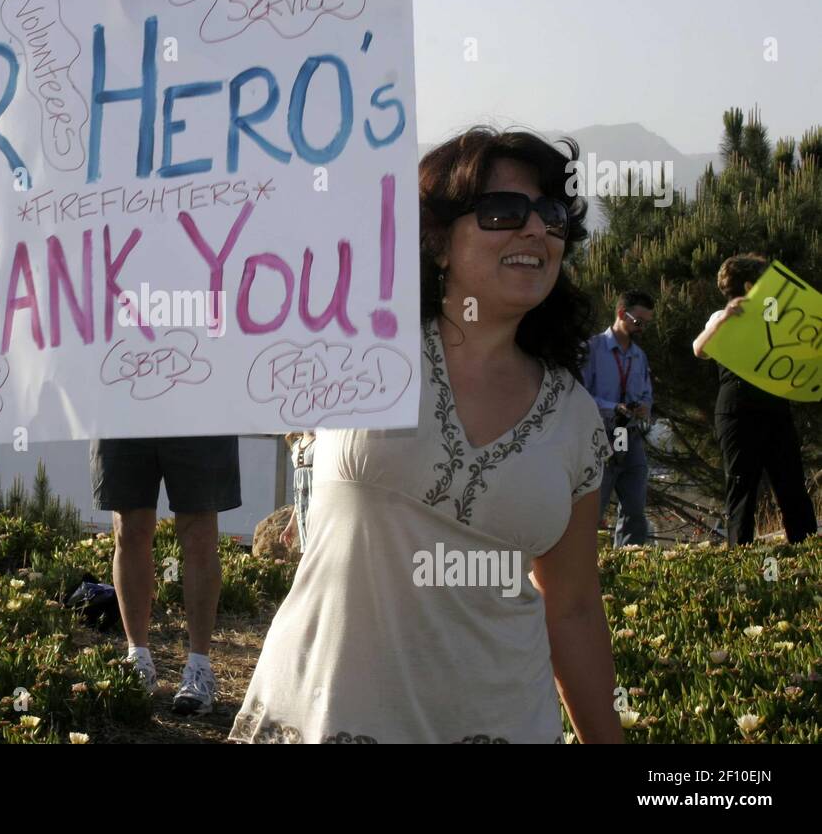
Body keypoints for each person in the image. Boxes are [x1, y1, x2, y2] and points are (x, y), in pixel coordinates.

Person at [229, 127, 622, 743]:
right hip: (326, 719)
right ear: (437, 241)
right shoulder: (354, 348)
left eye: (550, 216)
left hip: (504, 725)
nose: (535, 231)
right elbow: (240, 289)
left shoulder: (575, 418)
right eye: (502, 212)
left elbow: (571, 607)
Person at [100, 0, 235, 718]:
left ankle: (200, 665)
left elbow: (229, 68)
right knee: (132, 528)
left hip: (199, 362)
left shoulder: (212, 131)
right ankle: (138, 657)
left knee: (199, 527)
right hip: (114, 356)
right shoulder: (103, 135)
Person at [692, 253, 817, 544]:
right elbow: (699, 348)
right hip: (738, 413)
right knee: (741, 484)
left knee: (790, 483)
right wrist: (723, 319)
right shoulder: (720, 318)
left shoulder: (774, 314)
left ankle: (806, 546)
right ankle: (740, 552)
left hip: (775, 409)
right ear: (750, 286)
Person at [582, 291, 655, 546]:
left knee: (635, 507)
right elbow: (581, 395)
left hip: (630, 436)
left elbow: (647, 394)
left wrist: (644, 408)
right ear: (622, 314)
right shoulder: (593, 349)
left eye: (647, 323)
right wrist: (615, 407)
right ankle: (582, 566)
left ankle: (630, 560)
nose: (643, 328)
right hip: (600, 436)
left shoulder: (639, 356)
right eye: (639, 322)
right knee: (593, 506)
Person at [281, 432, 315, 554]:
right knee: (307, 550)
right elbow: (299, 498)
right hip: (303, 512)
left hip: (319, 506)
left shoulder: (322, 443)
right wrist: (291, 524)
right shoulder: (296, 445)